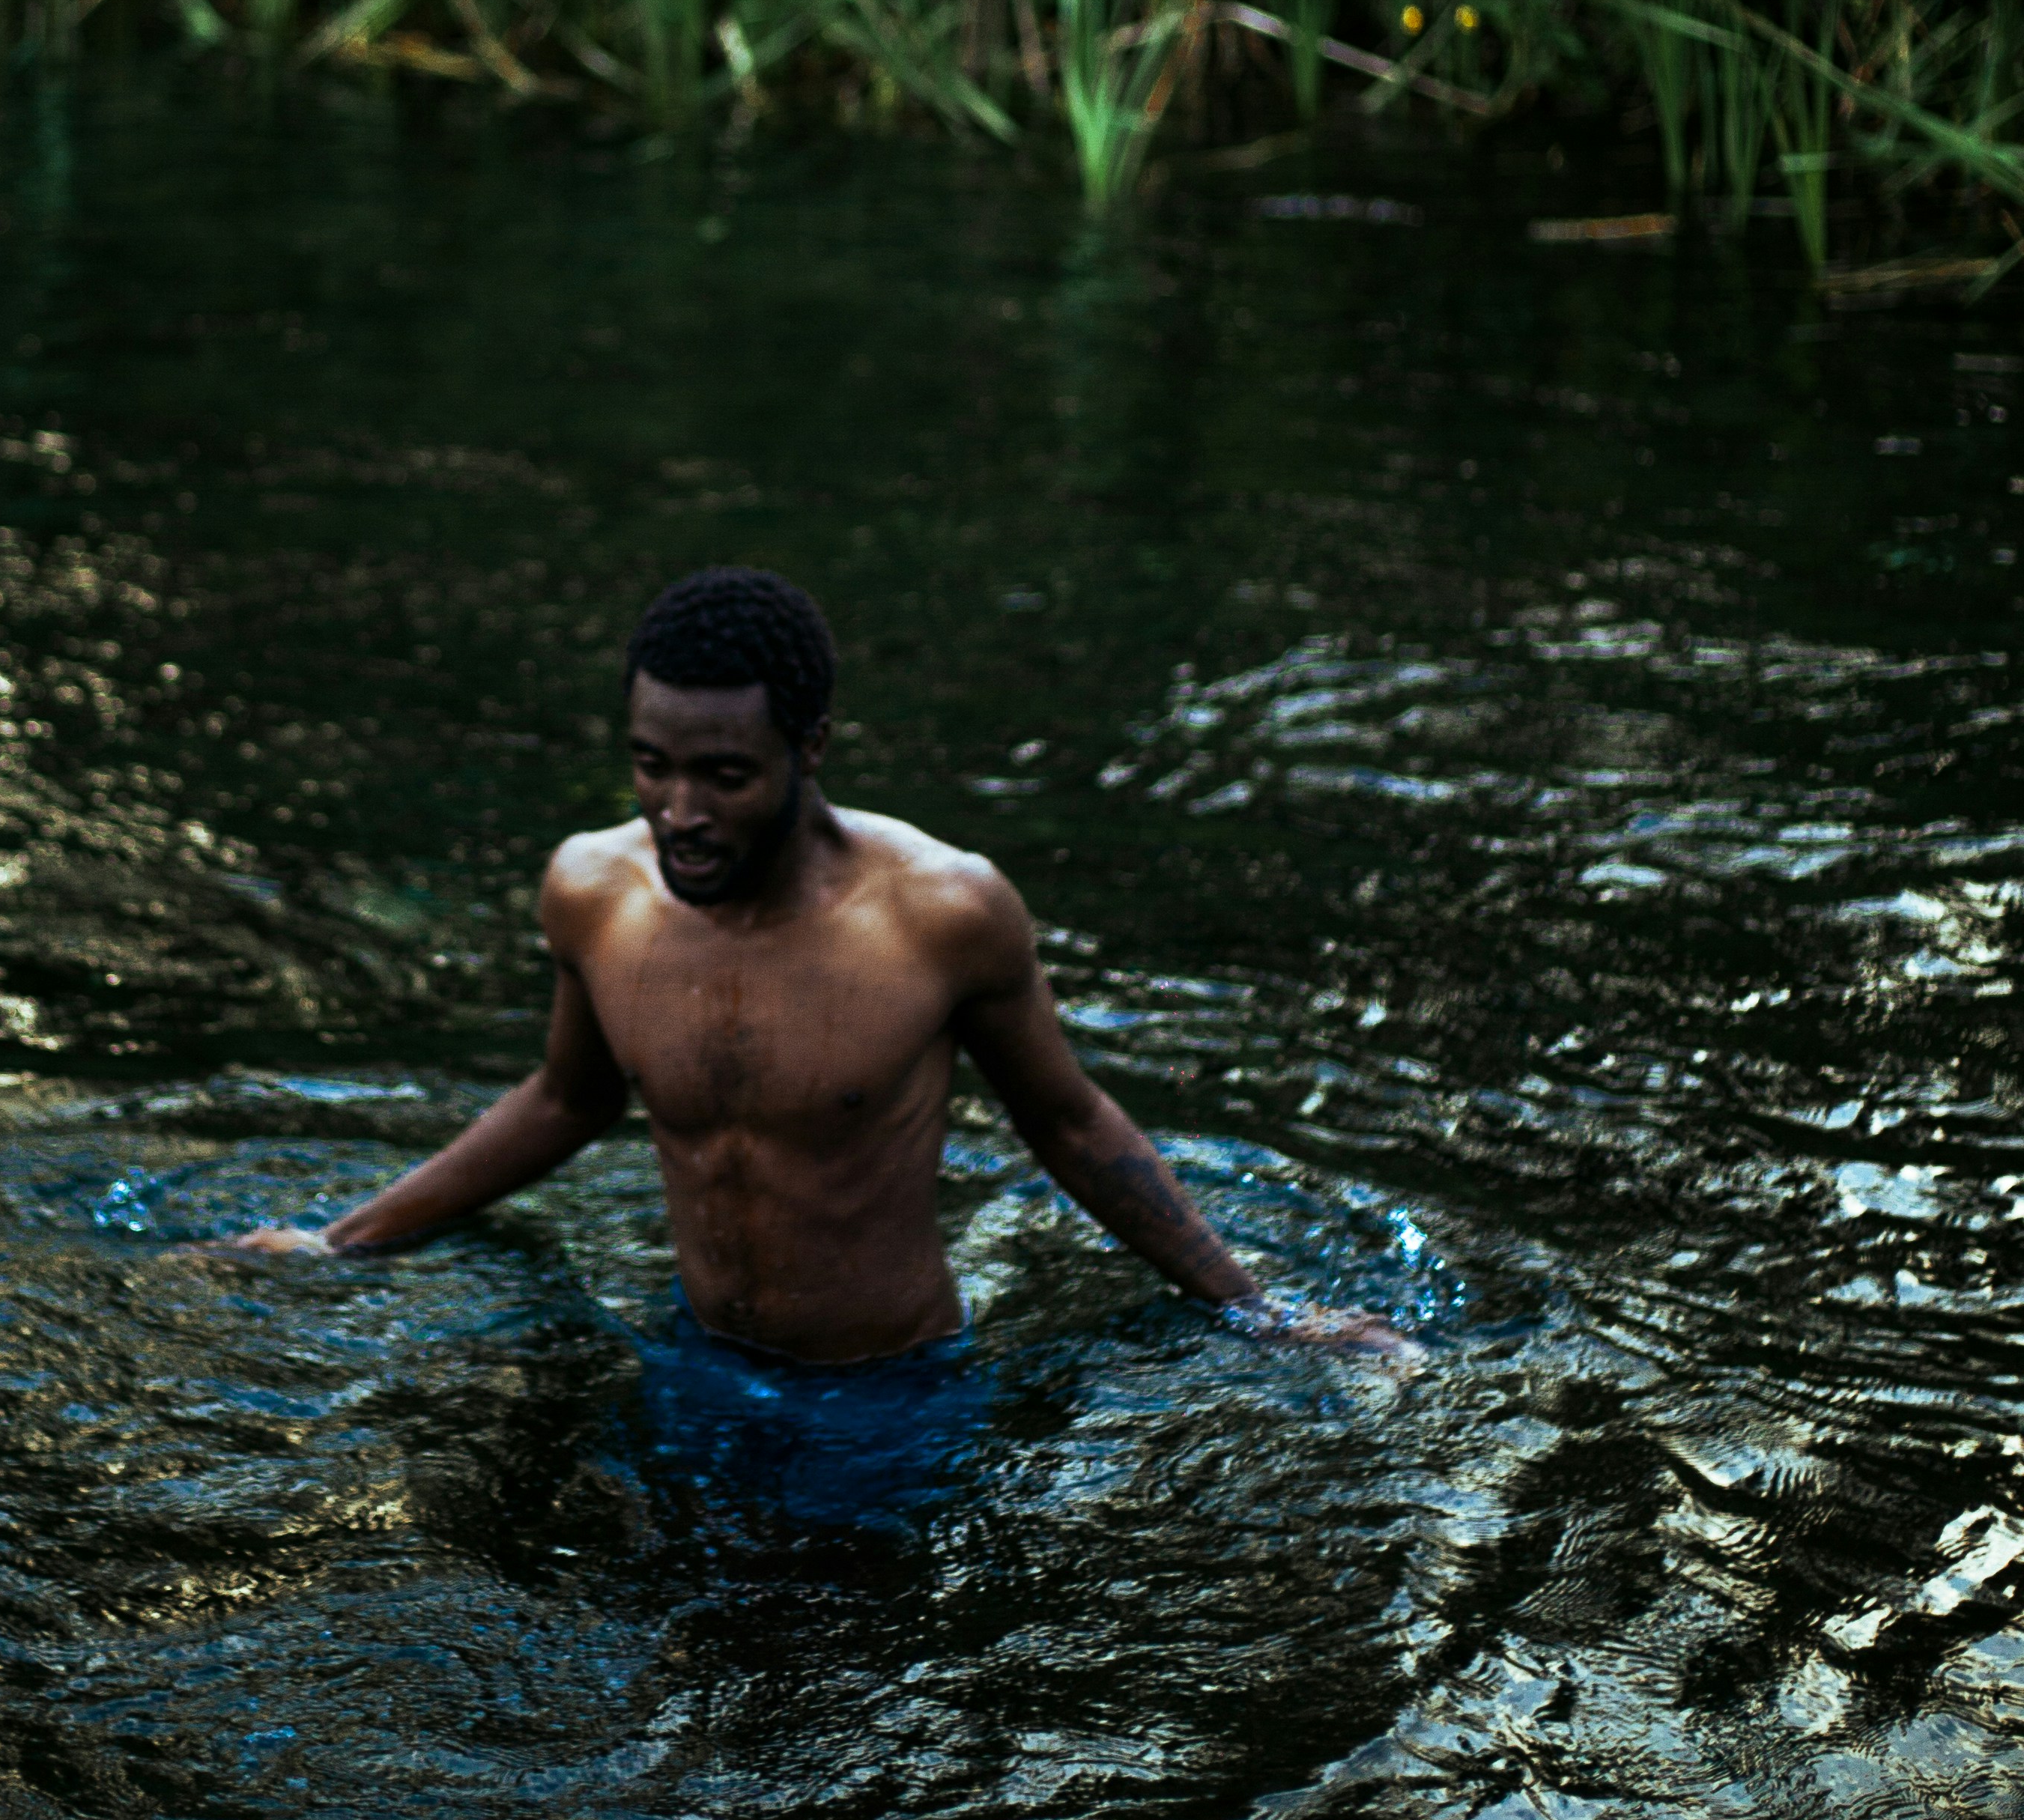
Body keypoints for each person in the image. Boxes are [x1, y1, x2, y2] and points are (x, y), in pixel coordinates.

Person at [219, 566, 1425, 1374]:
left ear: (811, 749)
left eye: (724, 777)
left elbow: (1068, 1122)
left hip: (891, 1390)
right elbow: (567, 1101)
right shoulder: (593, 889)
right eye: (650, 765)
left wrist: (1261, 1311)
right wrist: (344, 1242)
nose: (678, 811)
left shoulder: (941, 913)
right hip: (694, 1365)